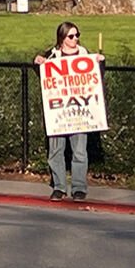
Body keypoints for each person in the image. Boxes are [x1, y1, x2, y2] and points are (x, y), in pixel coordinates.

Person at [34, 21, 103, 201]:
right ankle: (59, 187)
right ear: (62, 38)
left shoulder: (84, 54)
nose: (75, 39)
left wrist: (99, 63)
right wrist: (38, 62)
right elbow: (43, 75)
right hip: (58, 113)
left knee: (79, 151)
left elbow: (96, 78)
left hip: (79, 111)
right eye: (71, 36)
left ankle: (79, 187)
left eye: (77, 35)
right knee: (56, 151)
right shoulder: (53, 55)